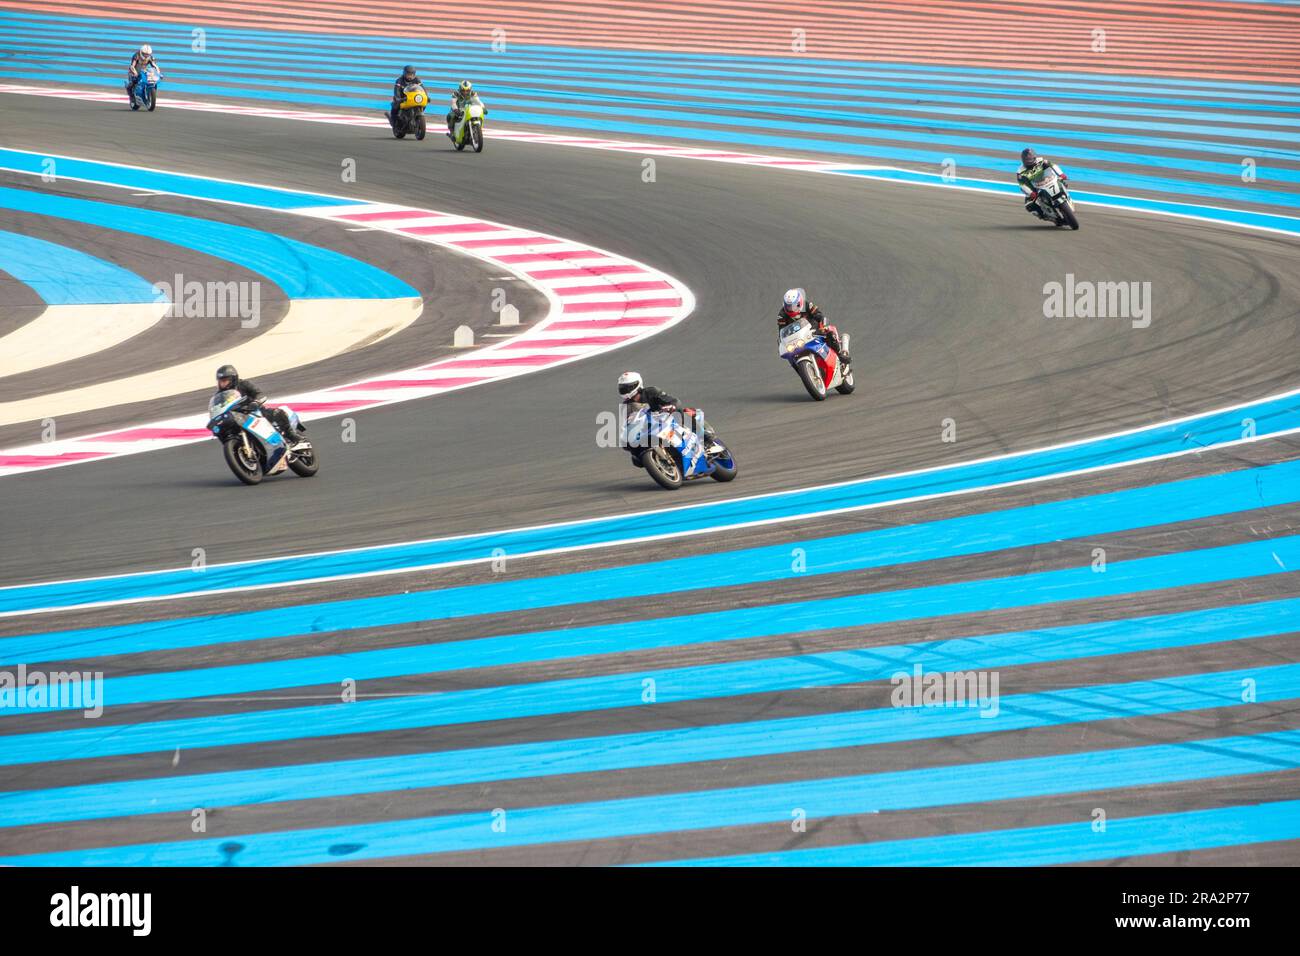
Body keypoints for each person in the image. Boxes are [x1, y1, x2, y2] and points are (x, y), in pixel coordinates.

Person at [617, 370, 720, 467]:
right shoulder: (627, 406)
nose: (625, 391)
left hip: (666, 418)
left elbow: (673, 401)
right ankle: (662, 462)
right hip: (650, 428)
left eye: (627, 388)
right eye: (622, 388)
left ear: (637, 384)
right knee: (636, 458)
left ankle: (706, 439)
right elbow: (628, 424)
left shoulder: (651, 391)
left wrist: (671, 406)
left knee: (684, 413)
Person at [214, 364, 304, 448]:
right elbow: (216, 407)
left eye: (225, 380)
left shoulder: (243, 384)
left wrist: (256, 402)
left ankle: (291, 435)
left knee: (277, 413)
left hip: (254, 411)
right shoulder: (220, 395)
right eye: (221, 381)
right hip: (237, 417)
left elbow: (258, 393)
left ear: (233, 379)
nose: (223, 383)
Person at [777, 288, 850, 364]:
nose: (791, 309)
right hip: (797, 337)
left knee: (830, 334)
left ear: (799, 303)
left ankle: (840, 355)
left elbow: (818, 314)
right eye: (788, 306)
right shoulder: (782, 316)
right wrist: (782, 343)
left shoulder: (807, 305)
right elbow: (782, 331)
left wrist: (823, 325)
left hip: (813, 330)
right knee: (790, 354)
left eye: (794, 306)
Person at [1017, 147, 1068, 220]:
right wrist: (1031, 193)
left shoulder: (1041, 160)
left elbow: (1053, 165)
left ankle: (1065, 196)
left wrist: (1061, 174)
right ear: (1023, 160)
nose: (1029, 160)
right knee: (1029, 205)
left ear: (1034, 156)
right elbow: (1022, 185)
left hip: (1048, 179)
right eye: (1027, 159)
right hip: (1035, 188)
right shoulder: (1020, 172)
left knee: (1062, 182)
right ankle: (1045, 216)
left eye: (1030, 158)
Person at [388, 64, 422, 129]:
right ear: (404, 74)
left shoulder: (417, 80)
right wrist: (398, 98)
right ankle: (394, 122)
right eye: (408, 74)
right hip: (402, 98)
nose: (410, 76)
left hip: (413, 98)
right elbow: (397, 90)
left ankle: (416, 117)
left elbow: (422, 88)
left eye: (412, 74)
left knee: (422, 103)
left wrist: (426, 96)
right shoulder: (399, 80)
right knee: (395, 106)